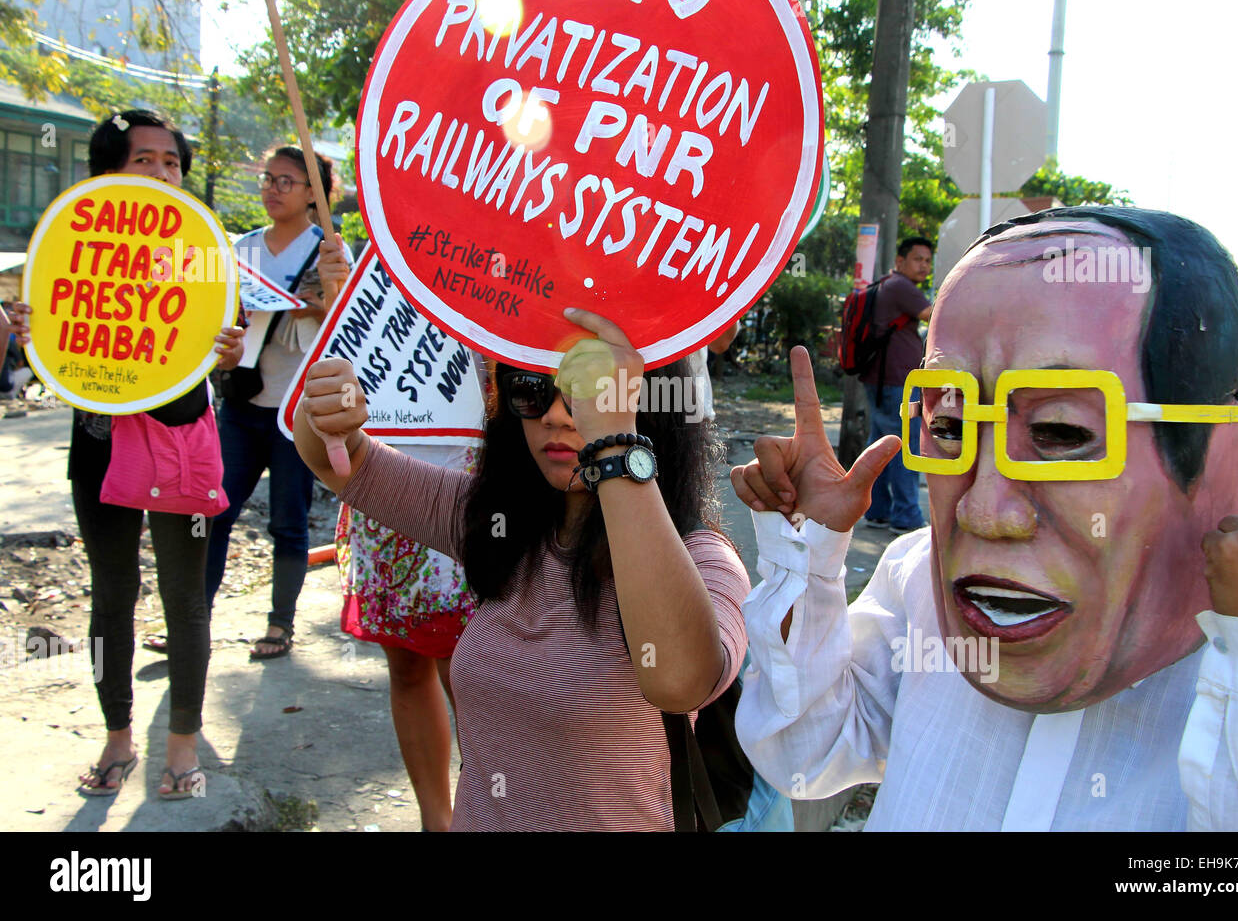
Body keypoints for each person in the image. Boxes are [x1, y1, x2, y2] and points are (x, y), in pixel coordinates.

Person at [731, 207, 1238, 829]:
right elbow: (806, 756)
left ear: (1219, 461)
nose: (984, 509)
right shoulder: (917, 579)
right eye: (949, 427)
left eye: (1060, 432)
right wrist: (810, 556)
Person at [294, 310, 749, 830]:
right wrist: (324, 414)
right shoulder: (496, 524)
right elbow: (348, 465)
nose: (556, 415)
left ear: (649, 404)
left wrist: (617, 448)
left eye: (587, 392)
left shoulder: (704, 558)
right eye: (531, 390)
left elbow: (680, 682)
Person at [8, 109, 246, 798]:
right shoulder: (69, 245)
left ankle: (180, 748)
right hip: (100, 444)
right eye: (146, 160)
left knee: (185, 600)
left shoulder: (205, 250)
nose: (163, 173)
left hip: (181, 443)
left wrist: (227, 354)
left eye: (172, 163)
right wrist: (34, 330)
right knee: (112, 597)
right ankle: (118, 738)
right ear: (108, 172)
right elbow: (55, 338)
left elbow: (226, 346)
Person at [203, 146, 351, 659]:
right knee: (215, 508)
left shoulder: (331, 253)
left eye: (286, 181)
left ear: (314, 194)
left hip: (298, 413)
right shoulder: (240, 248)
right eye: (268, 178)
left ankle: (279, 625)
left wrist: (318, 302)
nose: (272, 189)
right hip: (242, 403)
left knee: (288, 519)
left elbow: (349, 321)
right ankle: (192, 618)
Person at [335, 381, 483, 832]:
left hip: (472, 477)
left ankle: (492, 814)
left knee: (470, 672)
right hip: (379, 475)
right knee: (405, 666)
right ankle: (435, 821)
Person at [860, 236, 933, 535]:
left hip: (880, 380)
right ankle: (906, 517)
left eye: (928, 260)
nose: (924, 265)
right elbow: (935, 315)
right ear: (900, 261)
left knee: (881, 447)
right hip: (897, 383)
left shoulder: (885, 285)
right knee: (906, 447)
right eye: (918, 259)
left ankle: (877, 511)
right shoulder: (901, 286)